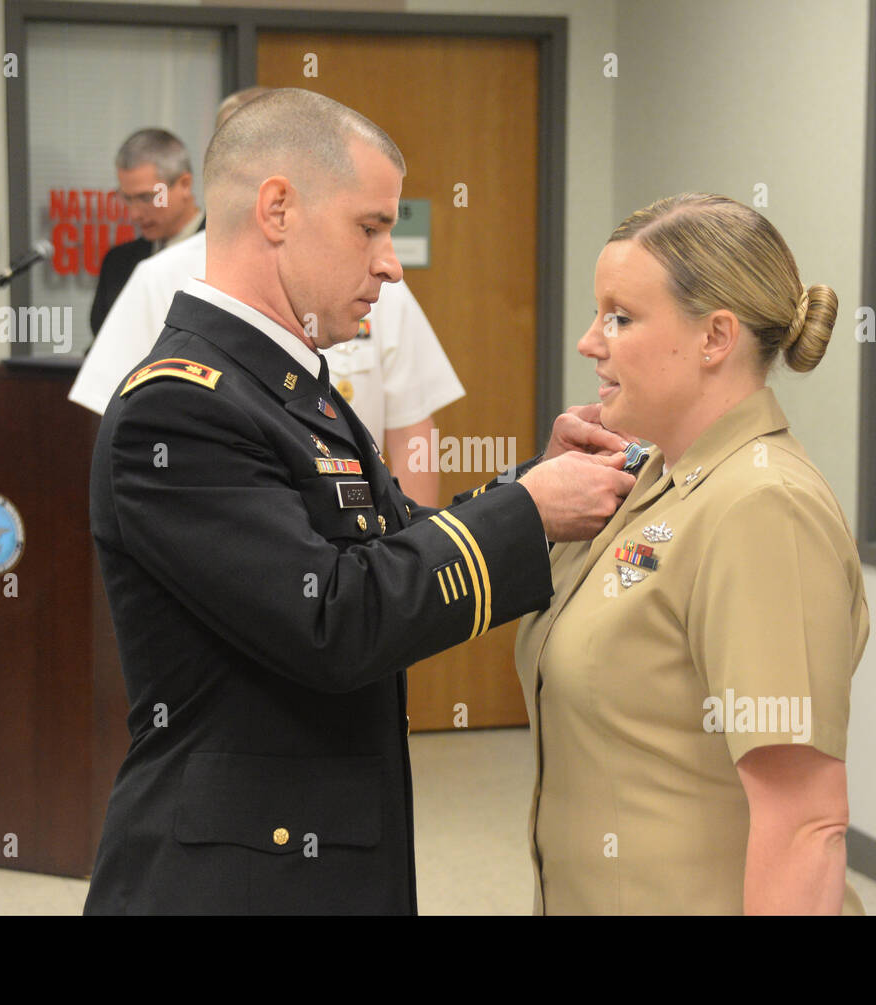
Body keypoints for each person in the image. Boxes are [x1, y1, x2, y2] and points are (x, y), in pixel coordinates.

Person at [83, 88, 636, 915]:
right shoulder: (183, 405)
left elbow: (383, 542)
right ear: (277, 209)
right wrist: (528, 515)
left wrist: (526, 483)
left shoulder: (289, 383)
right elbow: (333, 617)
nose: (391, 260)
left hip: (319, 844)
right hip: (233, 876)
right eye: (370, 227)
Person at [514, 193, 870, 915]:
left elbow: (806, 822)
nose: (589, 341)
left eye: (620, 317)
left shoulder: (762, 508)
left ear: (715, 338)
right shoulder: (651, 478)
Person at [70, 88, 461, 505]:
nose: (389, 264)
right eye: (368, 228)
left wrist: (422, 555)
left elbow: (411, 426)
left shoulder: (370, 279)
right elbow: (120, 434)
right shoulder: (158, 278)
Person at [89, 128, 205, 335]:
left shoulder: (223, 252)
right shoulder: (117, 263)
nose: (134, 214)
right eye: (127, 198)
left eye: (146, 198)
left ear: (185, 184)